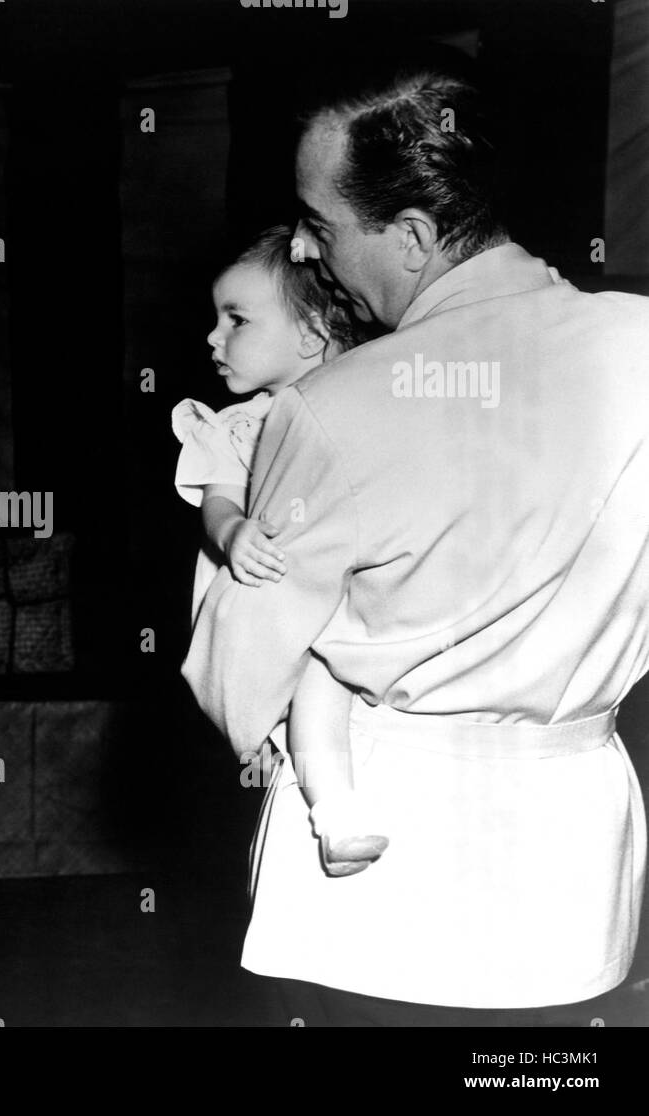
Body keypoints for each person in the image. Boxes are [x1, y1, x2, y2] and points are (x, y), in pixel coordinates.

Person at [182, 63, 649, 1024]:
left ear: (414, 237)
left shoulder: (329, 407)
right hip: (577, 879)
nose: (305, 251)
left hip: (379, 890)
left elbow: (238, 668)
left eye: (319, 221)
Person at [172, 226, 387, 877]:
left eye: (236, 319)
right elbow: (217, 500)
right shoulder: (241, 425)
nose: (214, 337)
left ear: (312, 332)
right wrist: (233, 531)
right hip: (281, 618)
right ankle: (328, 810)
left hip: (355, 601)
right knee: (310, 698)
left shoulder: (370, 409)